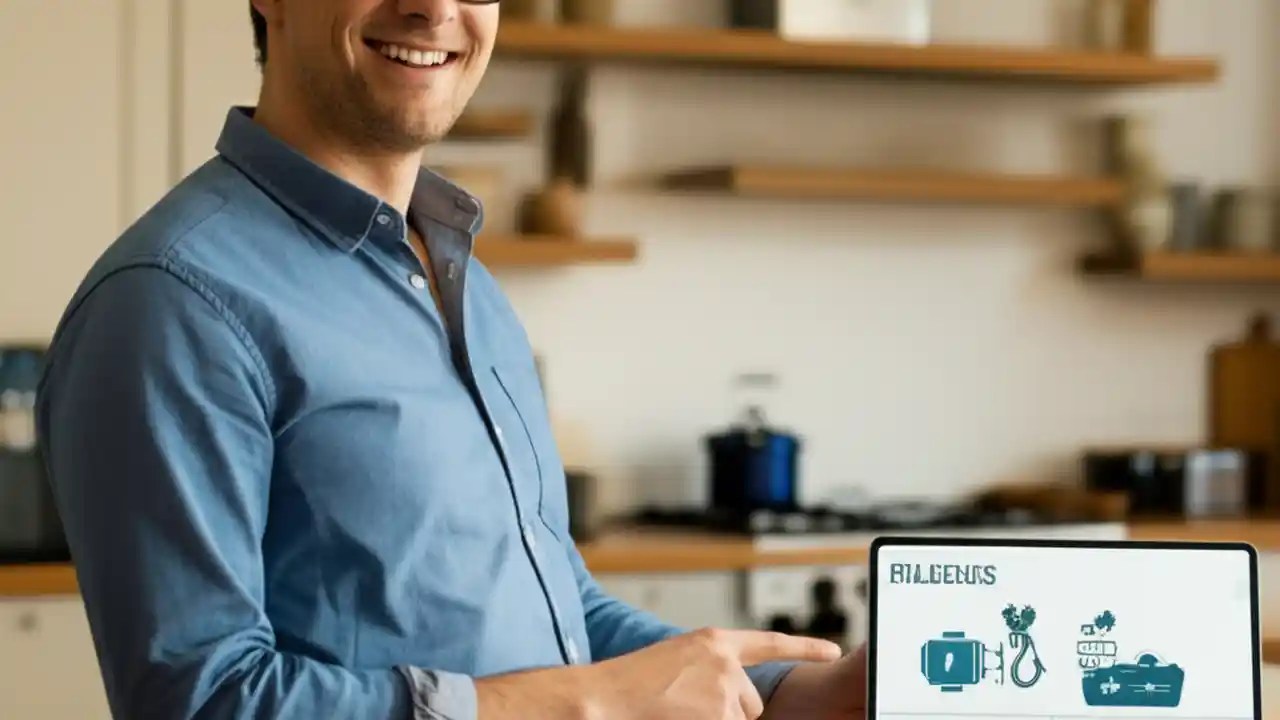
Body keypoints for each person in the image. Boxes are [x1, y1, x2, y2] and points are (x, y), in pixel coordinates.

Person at [36, 1, 868, 718]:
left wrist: (795, 693)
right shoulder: (171, 300)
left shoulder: (468, 288)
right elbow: (204, 700)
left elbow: (560, 611)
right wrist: (590, 705)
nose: (433, 8)